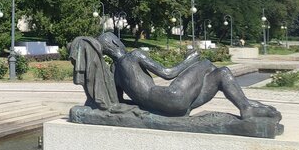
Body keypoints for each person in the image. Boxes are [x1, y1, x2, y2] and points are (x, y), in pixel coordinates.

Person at [94, 32, 278, 120]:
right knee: (206, 64)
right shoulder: (133, 55)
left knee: (222, 73)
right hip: (173, 97)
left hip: (169, 108)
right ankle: (246, 105)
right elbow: (168, 73)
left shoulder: (114, 73)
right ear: (115, 43)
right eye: (117, 39)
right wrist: (189, 60)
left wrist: (144, 105)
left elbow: (119, 102)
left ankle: (247, 106)